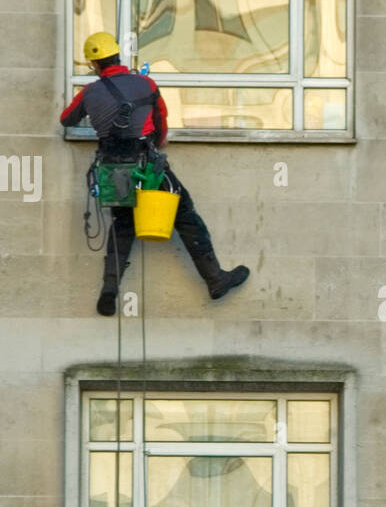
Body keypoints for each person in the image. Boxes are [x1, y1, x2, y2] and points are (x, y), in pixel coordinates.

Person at [61, 32, 249, 316]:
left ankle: (109, 291)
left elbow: (66, 119)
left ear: (94, 65)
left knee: (122, 226)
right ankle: (215, 279)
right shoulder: (145, 83)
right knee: (185, 216)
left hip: (113, 170)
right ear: (118, 57)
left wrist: (97, 109)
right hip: (147, 166)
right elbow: (161, 125)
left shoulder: (90, 92)